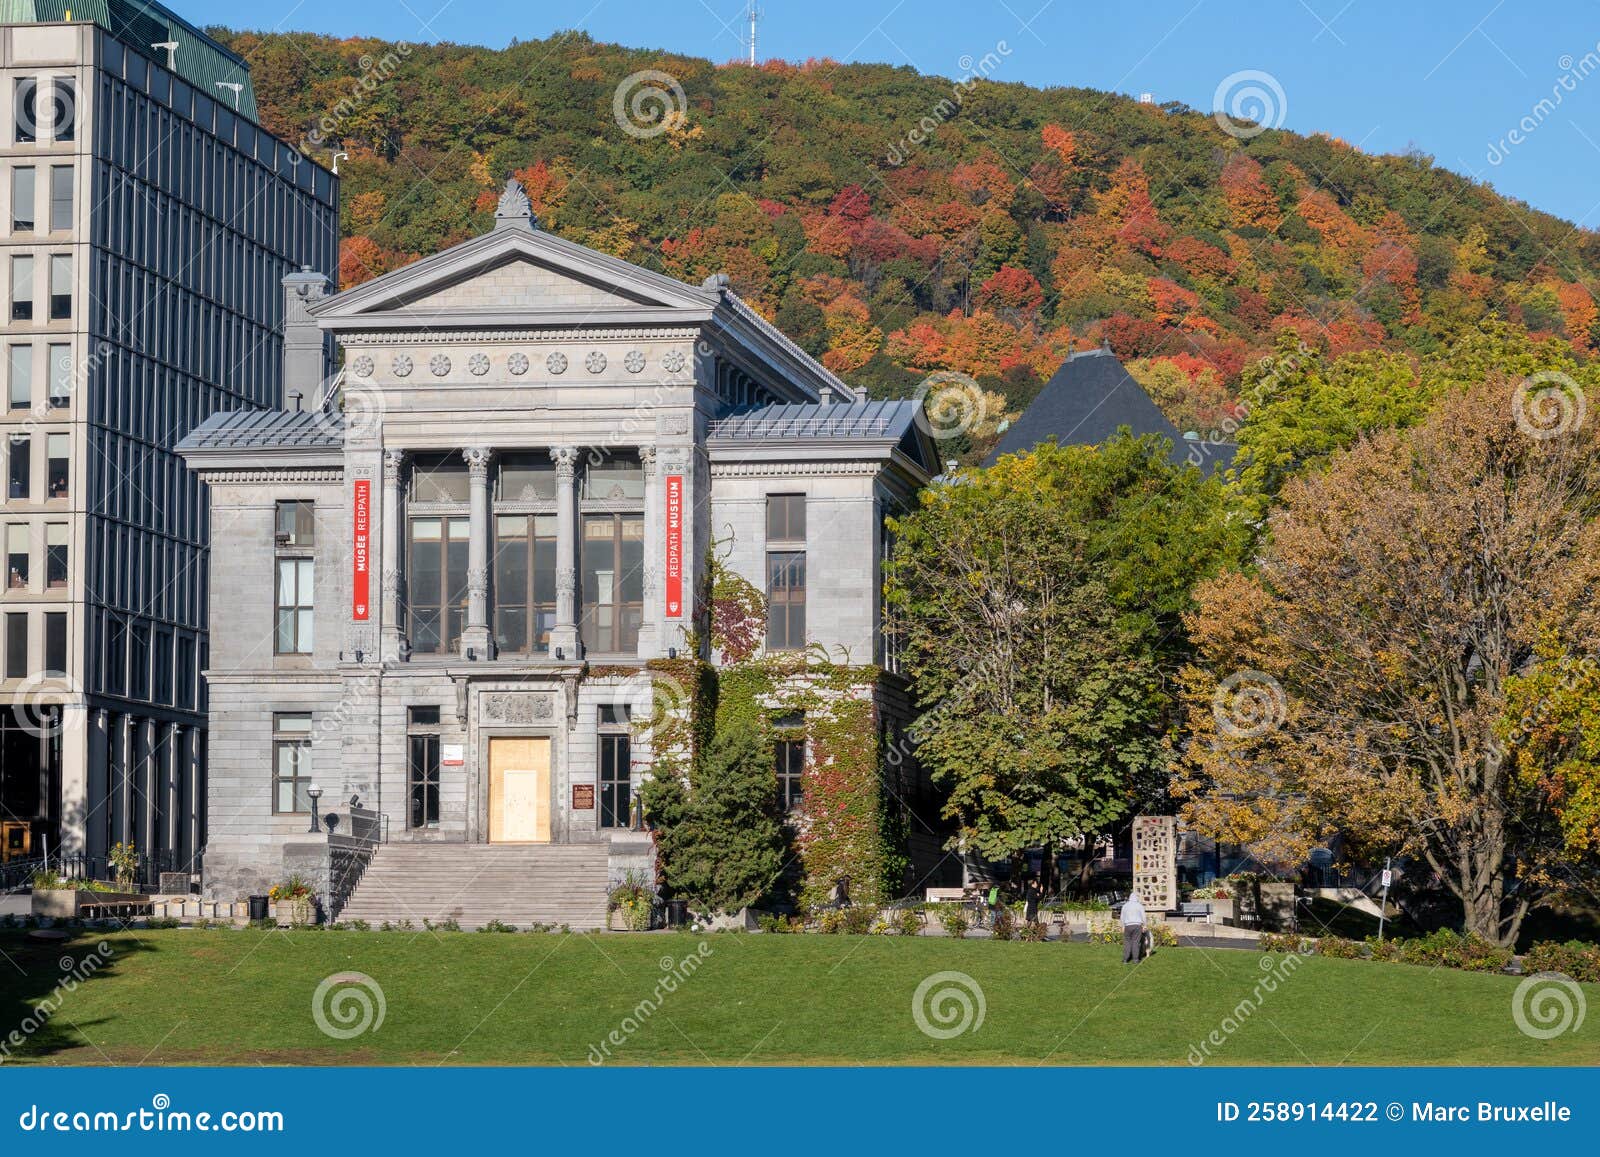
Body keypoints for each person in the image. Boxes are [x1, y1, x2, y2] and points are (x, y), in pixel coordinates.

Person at [1121, 892, 1147, 964]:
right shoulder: (1139, 906)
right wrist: (1145, 925)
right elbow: (1143, 917)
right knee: (1136, 942)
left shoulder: (1125, 906)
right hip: (1137, 926)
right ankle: (1135, 960)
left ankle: (1125, 959)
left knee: (1127, 942)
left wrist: (1123, 926)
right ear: (1136, 898)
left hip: (1127, 926)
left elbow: (1122, 917)